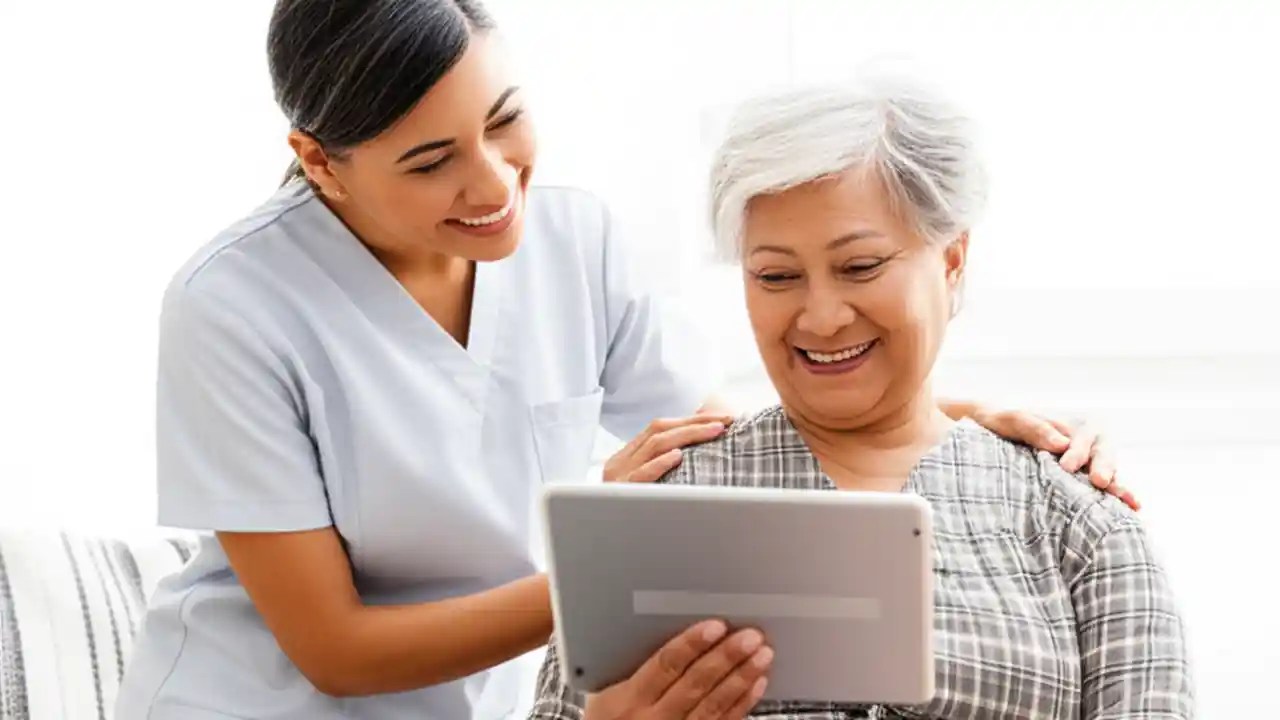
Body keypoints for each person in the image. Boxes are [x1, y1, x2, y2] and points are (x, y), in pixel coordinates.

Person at [116, 3, 1132, 719]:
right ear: (318, 162)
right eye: (431, 162)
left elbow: (730, 434)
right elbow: (333, 649)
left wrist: (945, 414)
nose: (493, 182)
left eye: (504, 119)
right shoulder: (233, 307)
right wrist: (625, 578)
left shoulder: (572, 240)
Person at [529, 71, 1194, 720]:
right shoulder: (658, 510)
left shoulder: (1074, 518)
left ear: (952, 259)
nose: (820, 317)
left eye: (860, 267)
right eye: (776, 275)